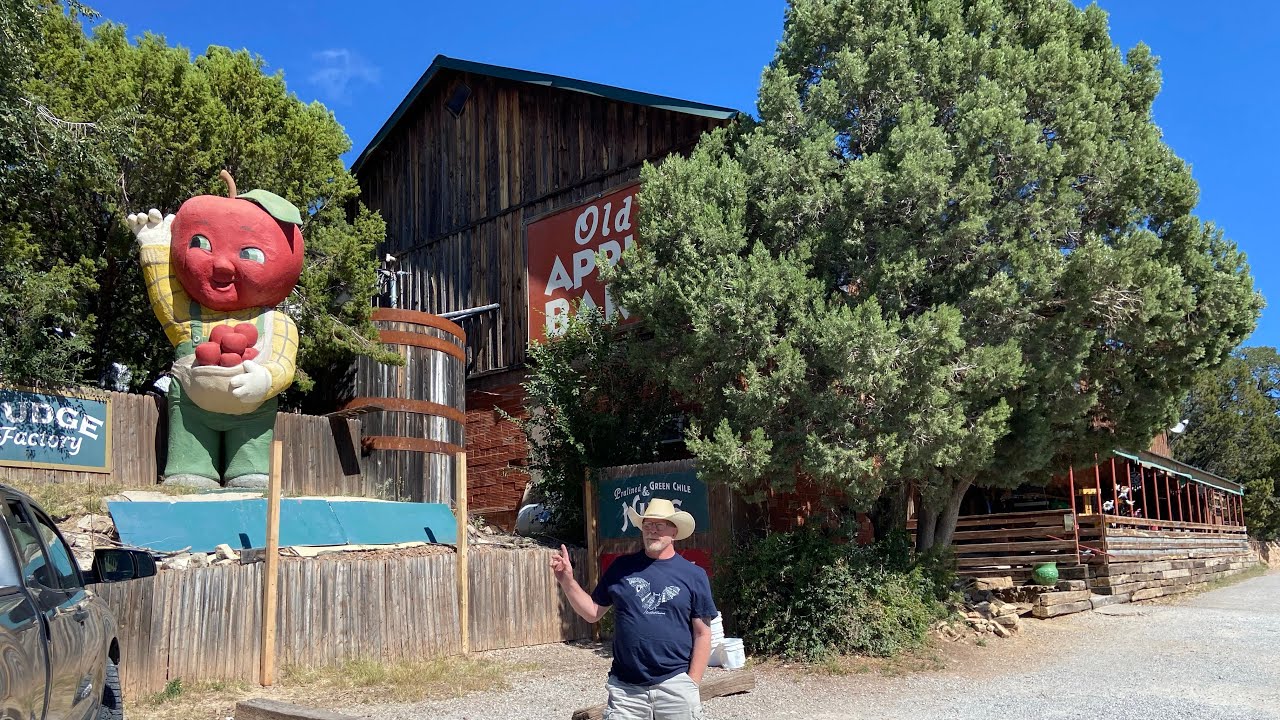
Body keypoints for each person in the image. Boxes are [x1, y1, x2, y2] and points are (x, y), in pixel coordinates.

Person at [550, 498, 716, 720]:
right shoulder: (621, 568)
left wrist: (691, 683)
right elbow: (591, 612)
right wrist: (566, 580)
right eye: (647, 525)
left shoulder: (693, 575)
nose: (652, 531)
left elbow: (703, 632)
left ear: (674, 532)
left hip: (676, 684)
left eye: (659, 525)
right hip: (626, 689)